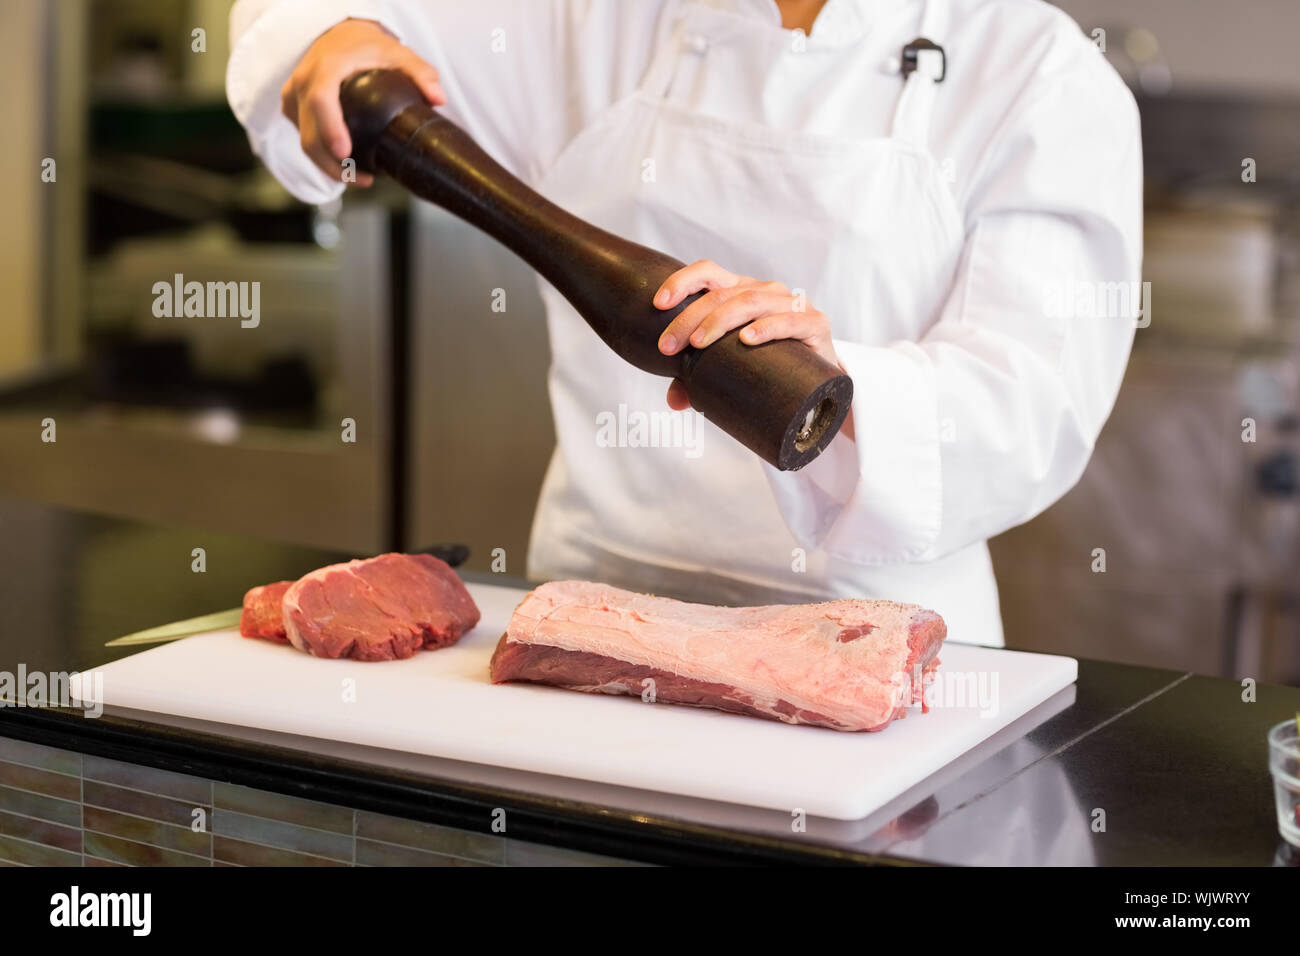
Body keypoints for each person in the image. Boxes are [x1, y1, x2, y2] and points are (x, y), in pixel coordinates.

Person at [227, 0, 1142, 646]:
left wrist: (843, 381)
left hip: (871, 641)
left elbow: (1033, 404)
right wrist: (334, 33)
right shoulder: (592, 19)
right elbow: (306, 23)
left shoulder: (1038, 73)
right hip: (589, 617)